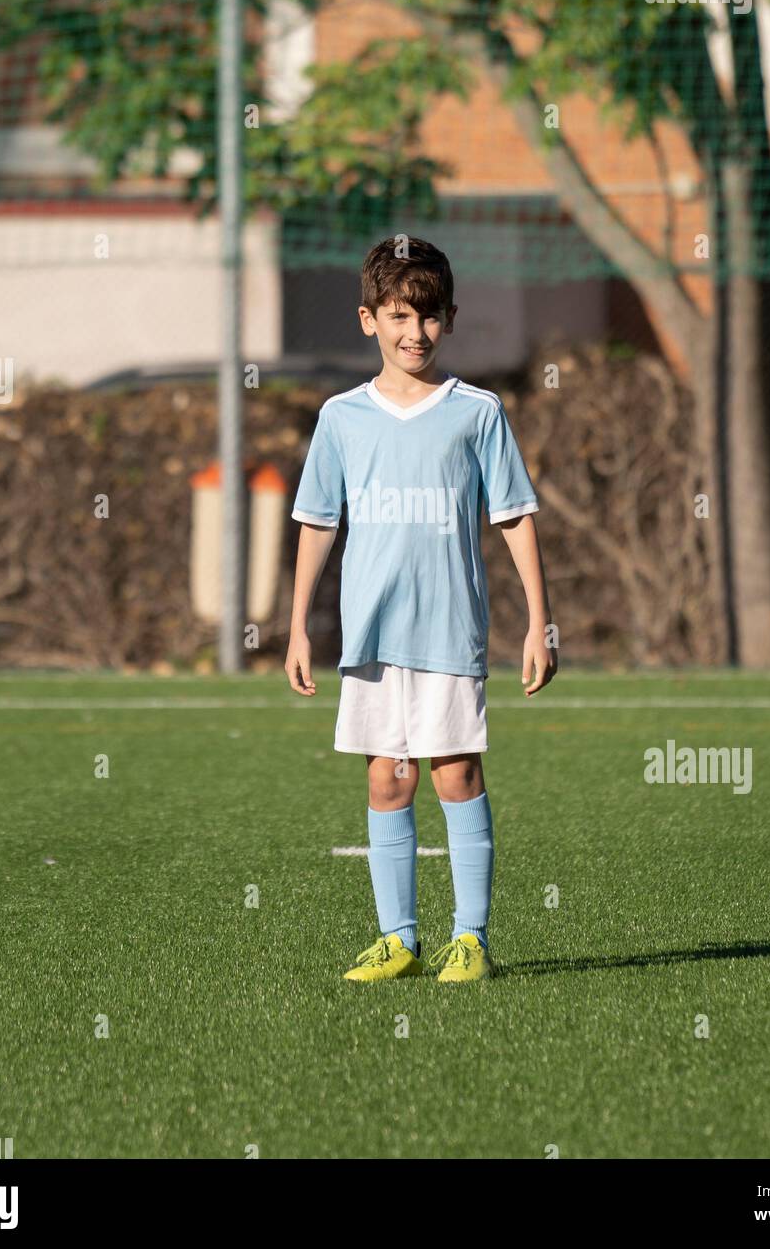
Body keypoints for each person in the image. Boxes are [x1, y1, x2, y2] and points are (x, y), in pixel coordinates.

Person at [285, 237, 557, 982]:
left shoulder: (476, 412)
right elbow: (318, 522)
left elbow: (514, 517)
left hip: (448, 629)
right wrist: (298, 626)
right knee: (387, 780)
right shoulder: (341, 417)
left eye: (430, 317)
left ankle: (469, 939)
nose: (415, 333)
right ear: (368, 318)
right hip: (371, 635)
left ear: (451, 319)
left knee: (455, 774)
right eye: (400, 315)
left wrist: (539, 622)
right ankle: (398, 940)